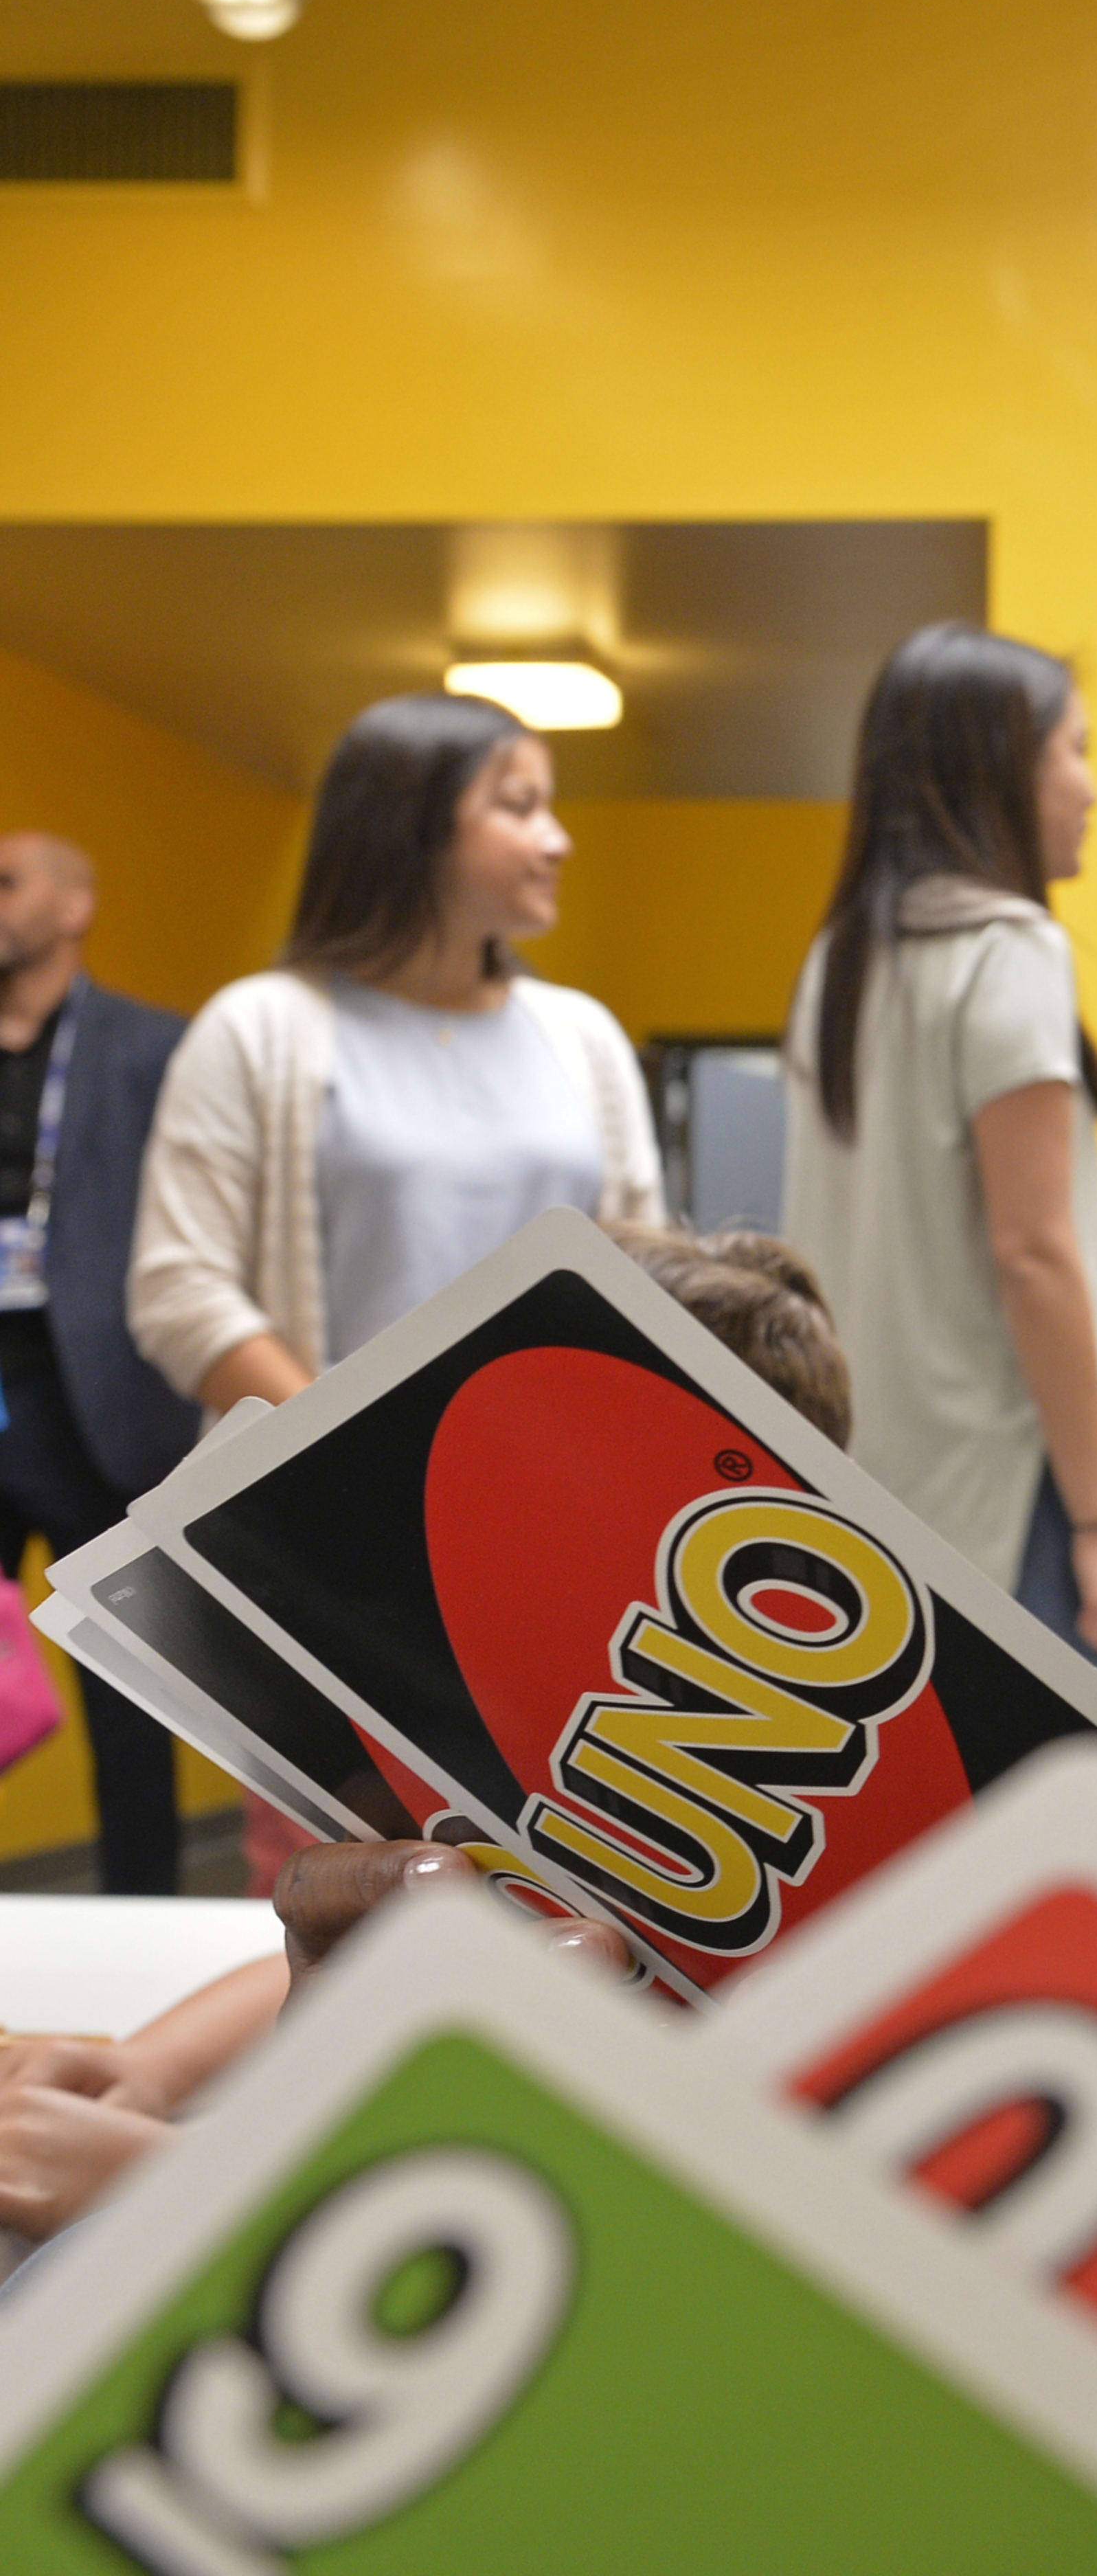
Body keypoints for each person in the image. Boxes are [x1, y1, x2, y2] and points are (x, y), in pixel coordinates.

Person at [0, 1223, 851, 2248]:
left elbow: (579, 2186)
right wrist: (155, 2066)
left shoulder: (747, 1828)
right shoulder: (527, 1720)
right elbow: (434, 1919)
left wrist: (168, 2180)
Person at [128, 692, 663, 1890]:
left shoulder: (578, 1038)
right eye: (520, 805)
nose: (558, 837)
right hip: (330, 1547)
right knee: (347, 1876)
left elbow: (647, 1277)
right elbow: (180, 1286)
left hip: (558, 1541)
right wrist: (352, 1470)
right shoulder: (261, 1028)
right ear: (413, 826)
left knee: (564, 1877)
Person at [780, 622, 1097, 1693]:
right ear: (998, 768)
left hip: (868, 1498)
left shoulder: (842, 961)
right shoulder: (1006, 951)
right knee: (1091, 1839)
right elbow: (1032, 1254)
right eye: (1074, 750)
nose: (1092, 788)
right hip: (1013, 1504)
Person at [0, 835, 201, 1891]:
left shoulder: (155, 1050)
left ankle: (147, 1916)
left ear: (75, 906)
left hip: (100, 1409)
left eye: (7, 880)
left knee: (130, 1697)